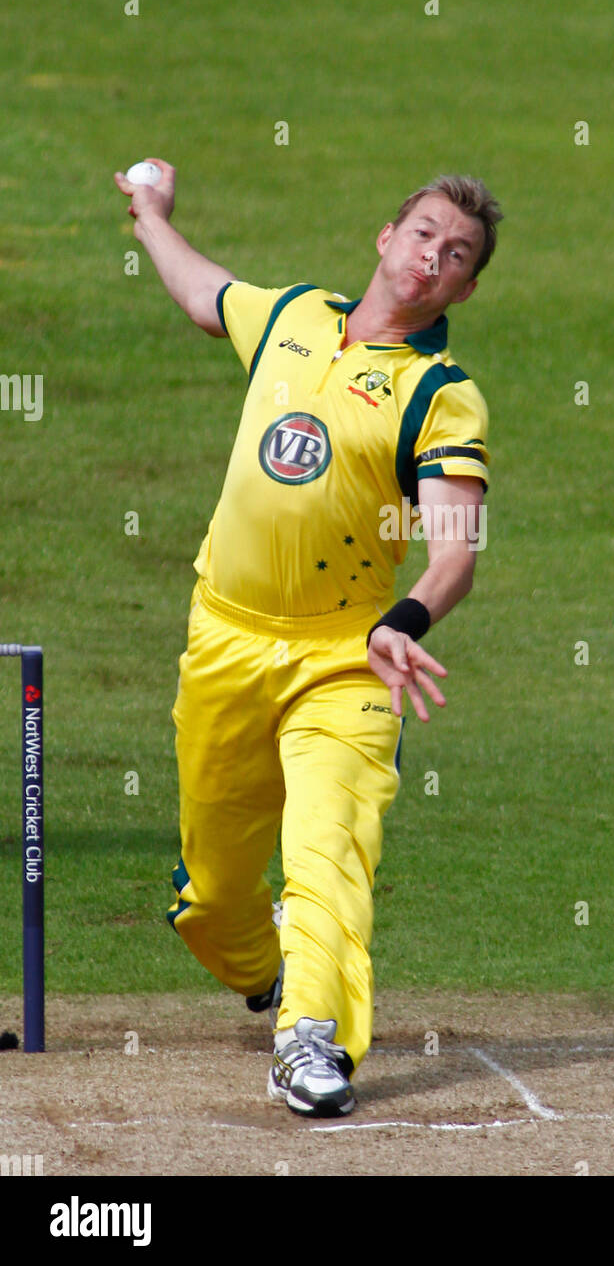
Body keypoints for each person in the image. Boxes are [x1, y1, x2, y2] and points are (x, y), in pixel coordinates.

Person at [112, 160, 502, 1116]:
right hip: (227, 640)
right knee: (211, 900)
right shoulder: (289, 317)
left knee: (329, 848)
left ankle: (313, 1039)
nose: (430, 258)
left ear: (466, 287)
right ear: (386, 237)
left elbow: (456, 549)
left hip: (349, 655)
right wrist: (152, 215)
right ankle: (271, 974)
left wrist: (405, 621)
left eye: (455, 255)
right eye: (422, 234)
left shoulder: (439, 394)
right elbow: (206, 293)